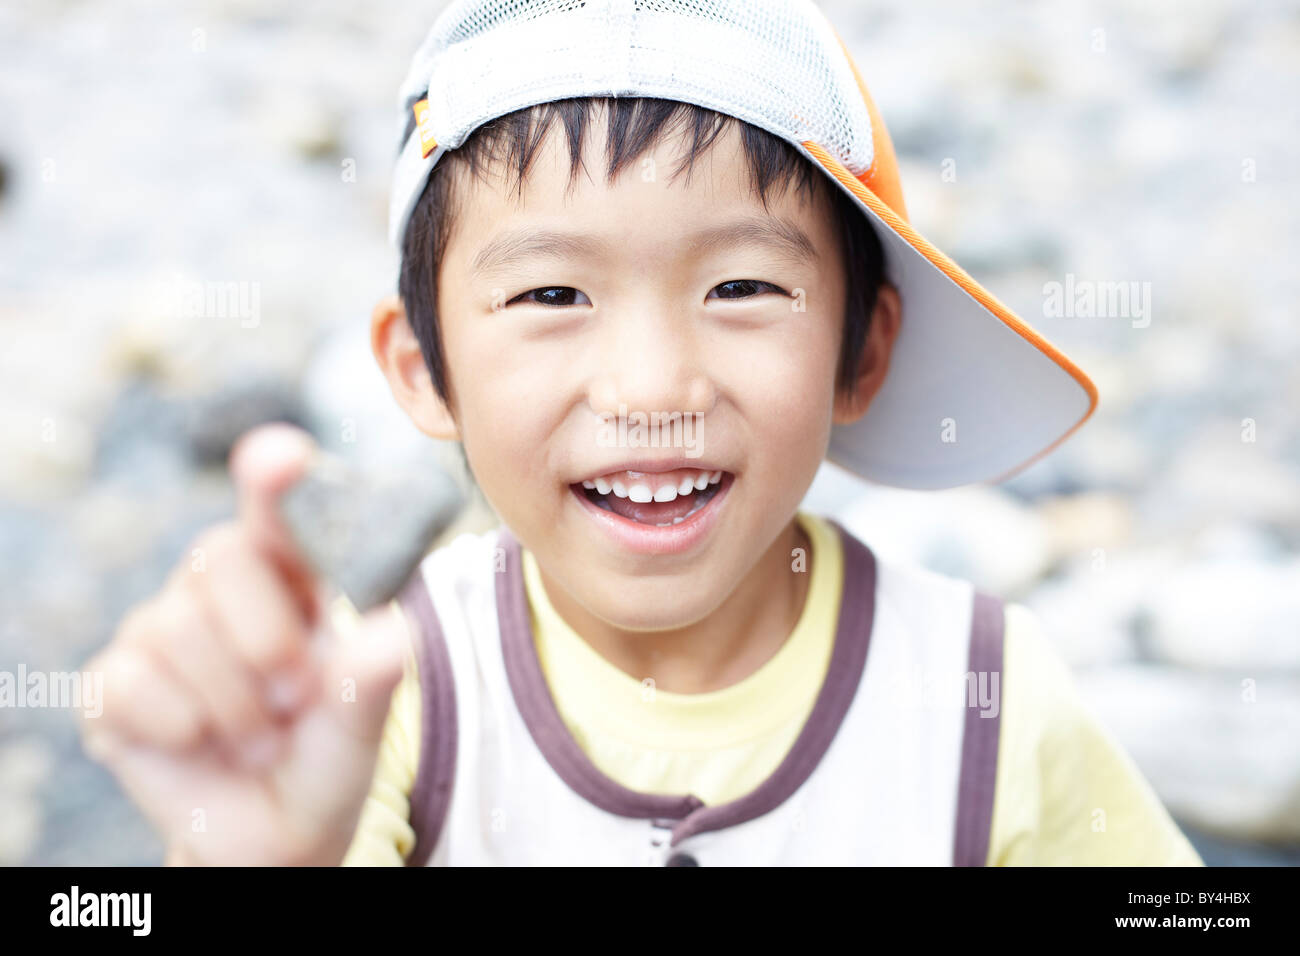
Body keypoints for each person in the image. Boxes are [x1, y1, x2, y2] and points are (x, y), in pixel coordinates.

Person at [81, 0, 1203, 866]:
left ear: (862, 351)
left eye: (741, 286)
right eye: (552, 296)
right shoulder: (382, 702)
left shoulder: (983, 695)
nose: (651, 383)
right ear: (424, 374)